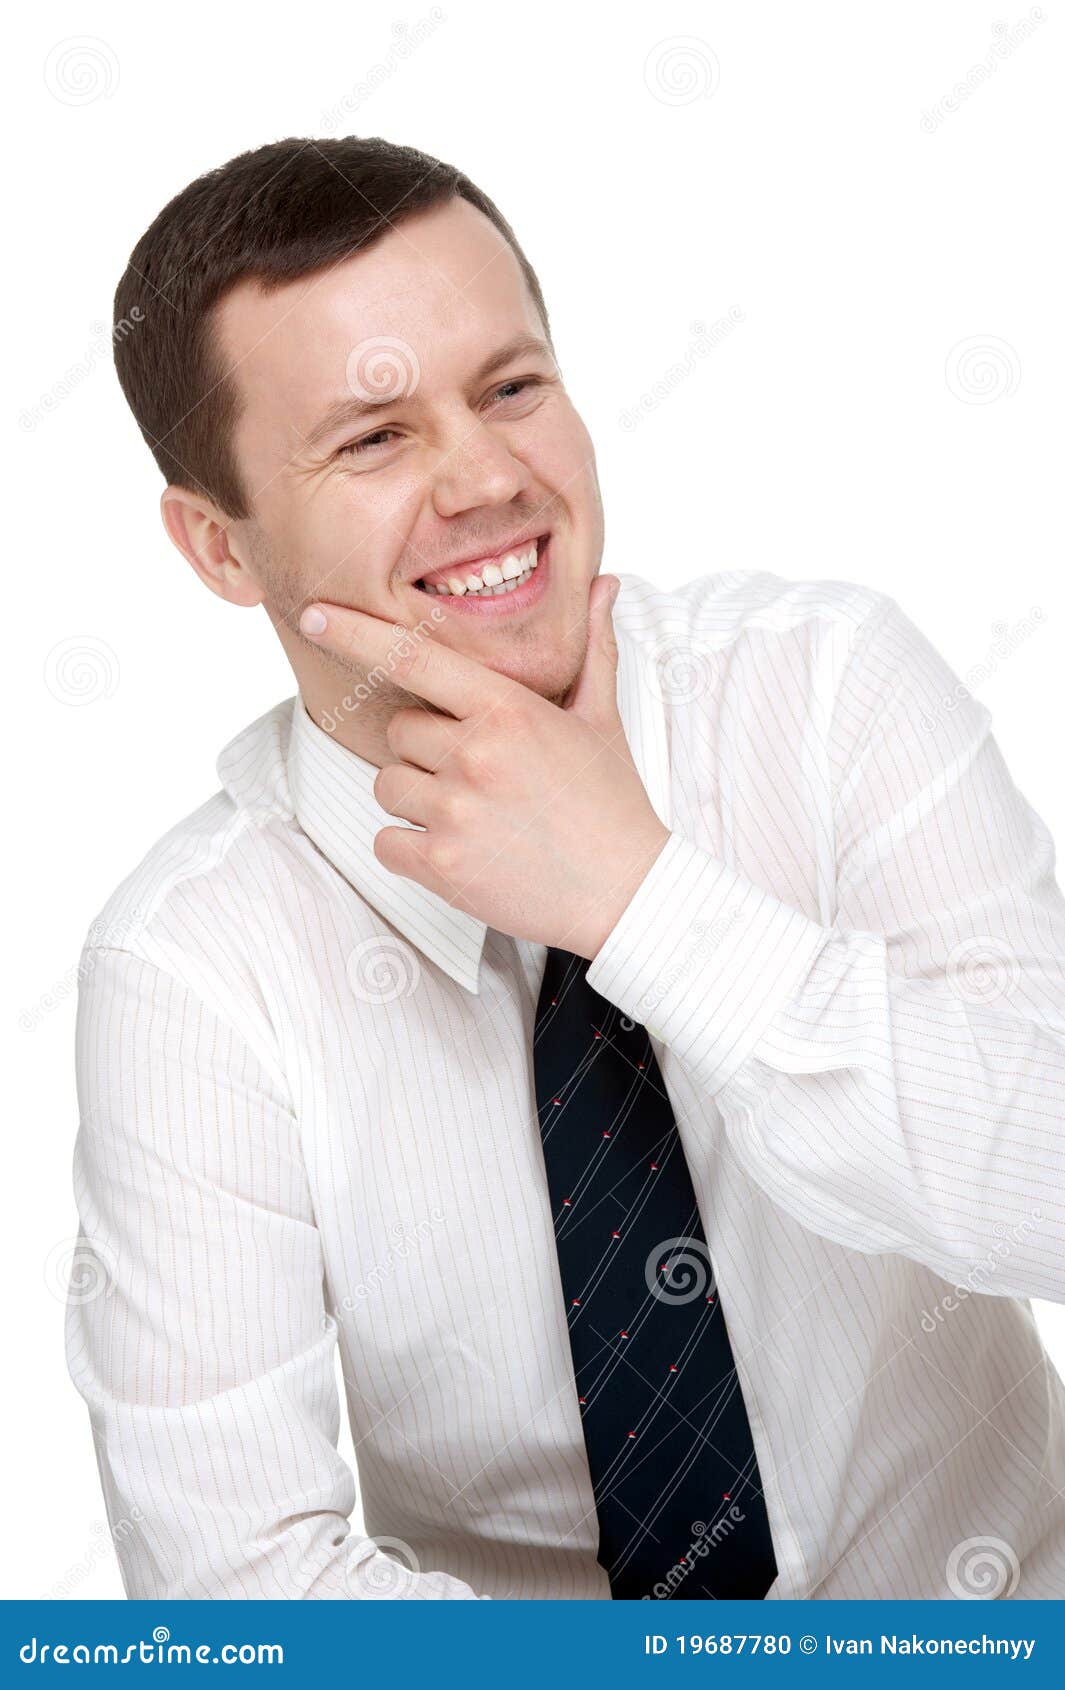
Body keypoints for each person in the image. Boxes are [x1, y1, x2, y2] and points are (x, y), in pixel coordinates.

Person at [66, 135, 1065, 1601]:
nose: (488, 479)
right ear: (220, 547)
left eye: (511, 388)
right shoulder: (190, 965)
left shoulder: (826, 692)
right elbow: (241, 1580)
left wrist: (643, 901)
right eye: (374, 438)